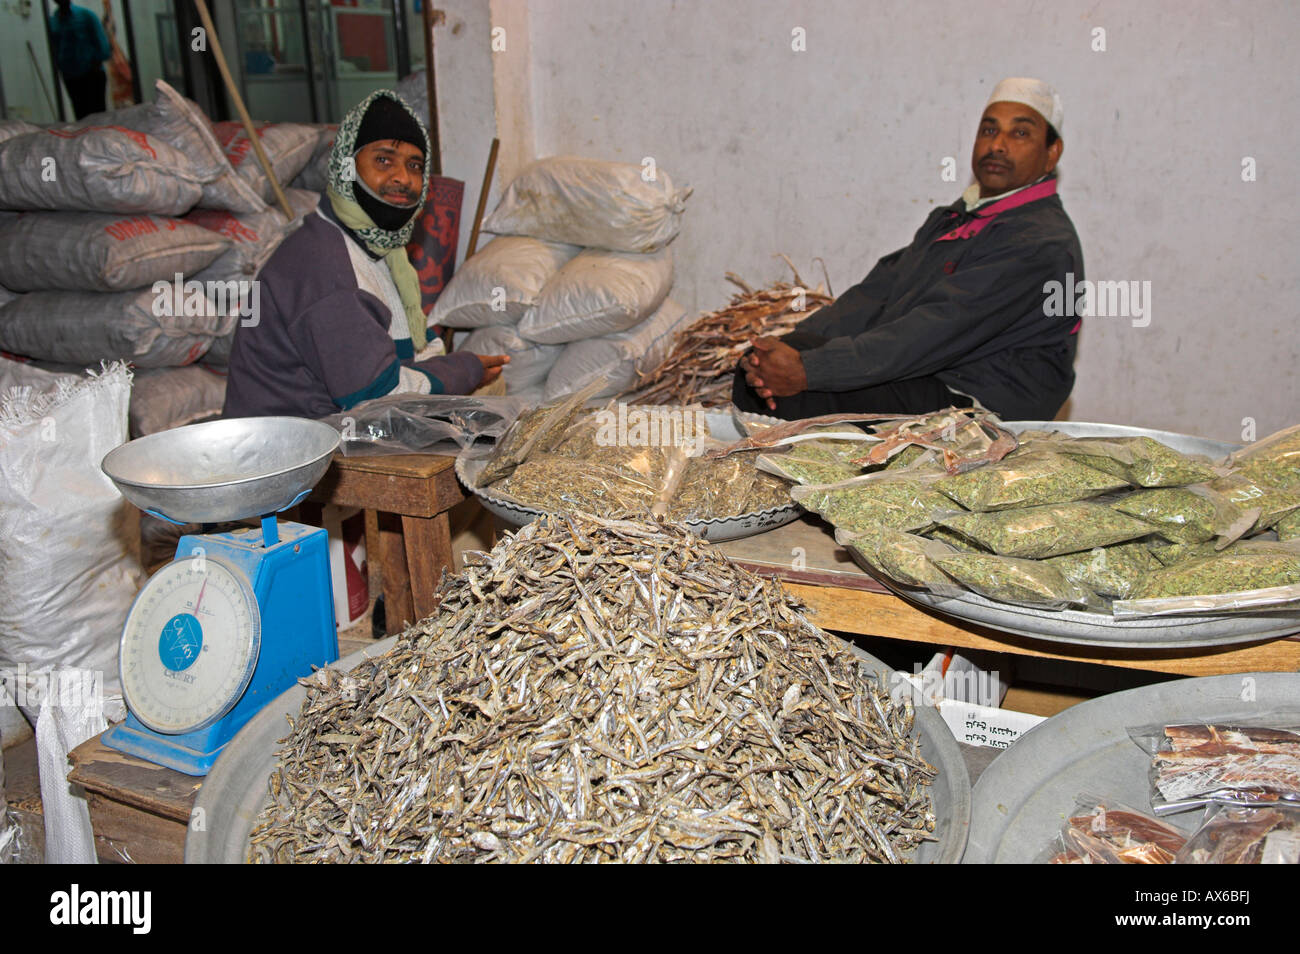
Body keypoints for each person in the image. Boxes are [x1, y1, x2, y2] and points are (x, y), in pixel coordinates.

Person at [735, 77, 1083, 422]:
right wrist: (787, 351)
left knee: (802, 397)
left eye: (1020, 133)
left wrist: (809, 370)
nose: (999, 145)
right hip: (930, 371)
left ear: (1052, 153)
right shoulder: (956, 220)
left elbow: (935, 329)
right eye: (989, 131)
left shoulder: (1039, 242)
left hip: (978, 399)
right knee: (755, 375)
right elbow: (875, 296)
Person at [223, 89, 507, 418]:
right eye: (383, 160)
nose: (403, 178)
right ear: (347, 168)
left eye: (415, 166)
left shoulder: (380, 249)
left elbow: (409, 351)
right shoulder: (325, 264)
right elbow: (377, 397)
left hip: (332, 427)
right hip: (290, 452)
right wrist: (464, 369)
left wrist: (463, 369)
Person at [48, 0, 111, 119]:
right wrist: (61, 67)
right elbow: (55, 47)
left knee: (97, 115)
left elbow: (103, 46)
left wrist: (95, 64)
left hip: (91, 74)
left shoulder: (86, 16)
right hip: (71, 76)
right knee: (81, 115)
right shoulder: (54, 21)